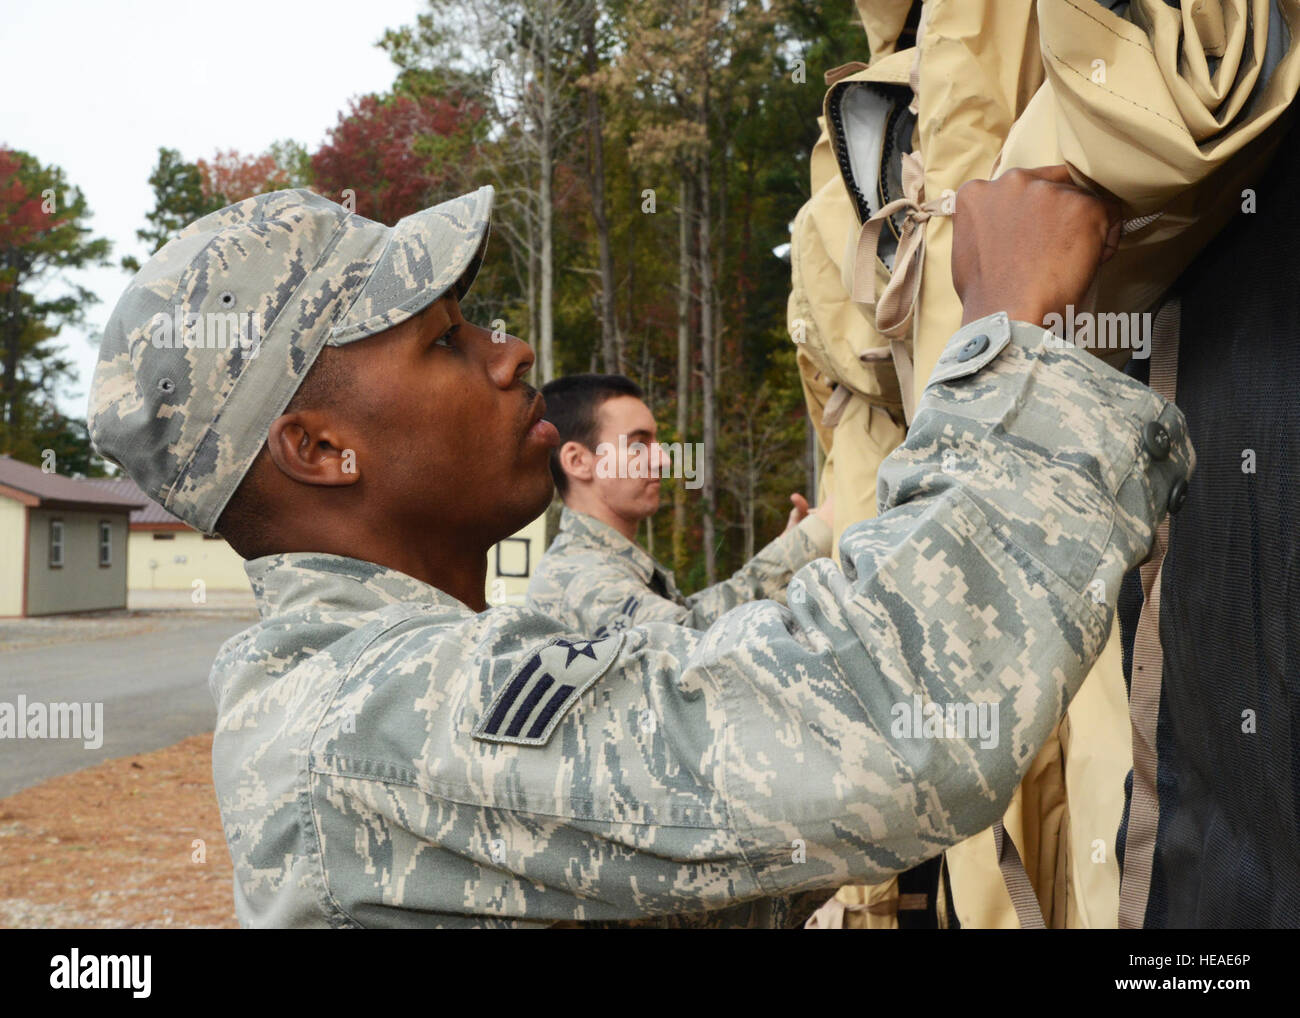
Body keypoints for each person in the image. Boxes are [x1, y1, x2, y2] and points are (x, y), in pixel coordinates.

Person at [86, 167, 1192, 928]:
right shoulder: (357, 724)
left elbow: (697, 696)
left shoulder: (404, 679)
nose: (511, 352)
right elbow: (879, 723)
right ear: (321, 448)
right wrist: (1010, 335)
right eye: (444, 340)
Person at [526, 372, 832, 632]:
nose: (662, 459)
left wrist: (792, 547)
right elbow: (690, 640)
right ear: (578, 461)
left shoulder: (608, 563)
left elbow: (689, 614)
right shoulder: (581, 577)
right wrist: (813, 537)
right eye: (638, 444)